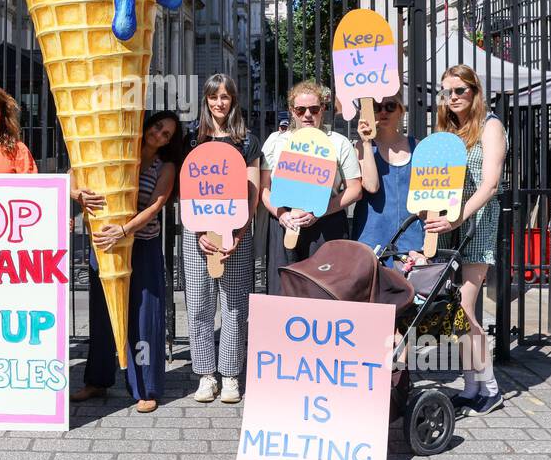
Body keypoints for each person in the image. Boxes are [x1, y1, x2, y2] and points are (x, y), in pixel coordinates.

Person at [71, 111, 184, 413]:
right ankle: (97, 380)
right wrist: (76, 193)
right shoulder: (120, 149)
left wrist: (124, 230)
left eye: (167, 135)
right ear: (149, 124)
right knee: (102, 315)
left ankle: (145, 387)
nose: (159, 135)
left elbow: (157, 204)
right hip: (106, 245)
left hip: (142, 245)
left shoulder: (167, 166)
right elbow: (76, 169)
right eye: (158, 127)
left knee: (144, 317)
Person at [422, 64, 508, 417]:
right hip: (448, 221)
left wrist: (459, 216)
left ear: (474, 91)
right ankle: (472, 387)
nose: (453, 97)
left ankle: (489, 388)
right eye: (447, 91)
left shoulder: (491, 125)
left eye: (460, 90)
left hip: (476, 221)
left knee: (464, 308)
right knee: (454, 306)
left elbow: (489, 184)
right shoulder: (448, 129)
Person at [181, 74, 261, 405]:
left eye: (225, 97)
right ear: (206, 100)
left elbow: (252, 192)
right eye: (214, 97)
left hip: (236, 236)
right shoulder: (192, 139)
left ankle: (229, 375)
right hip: (196, 235)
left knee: (234, 305)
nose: (219, 103)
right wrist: (200, 234)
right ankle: (205, 375)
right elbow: (185, 192)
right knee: (199, 305)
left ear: (234, 100)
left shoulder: (247, 141)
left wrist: (238, 237)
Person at [261, 81, 366, 295]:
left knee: (325, 291)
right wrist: (281, 214)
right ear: (292, 111)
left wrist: (320, 212)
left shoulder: (339, 142)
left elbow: (355, 189)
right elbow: (264, 189)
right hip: (284, 222)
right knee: (283, 292)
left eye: (314, 109)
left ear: (323, 109)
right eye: (300, 110)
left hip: (326, 224)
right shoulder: (276, 141)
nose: (307, 115)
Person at [351, 93, 424, 269]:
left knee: (412, 293)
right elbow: (371, 186)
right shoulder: (361, 147)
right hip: (373, 234)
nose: (383, 112)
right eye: (376, 107)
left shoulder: (418, 146)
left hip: (411, 237)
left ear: (401, 111)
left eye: (390, 106)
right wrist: (367, 143)